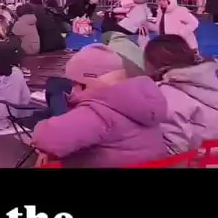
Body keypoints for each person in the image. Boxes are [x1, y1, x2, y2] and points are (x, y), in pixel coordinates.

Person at [31, 44, 167, 167]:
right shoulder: (137, 100)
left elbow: (48, 138)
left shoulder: (99, 109)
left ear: (86, 83)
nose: (72, 90)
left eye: (74, 83)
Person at [143, 35, 218, 154]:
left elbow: (174, 150)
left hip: (200, 159)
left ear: (151, 63)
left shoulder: (166, 94)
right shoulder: (213, 75)